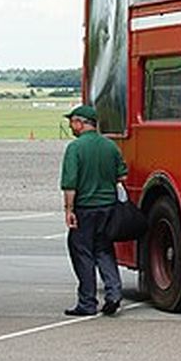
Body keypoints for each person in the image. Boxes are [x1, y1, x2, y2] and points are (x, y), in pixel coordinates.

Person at [59, 103, 127, 316]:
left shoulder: (75, 148)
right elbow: (122, 176)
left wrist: (69, 210)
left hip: (85, 208)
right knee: (104, 250)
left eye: (72, 122)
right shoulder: (110, 146)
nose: (71, 126)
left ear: (80, 123)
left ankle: (87, 303)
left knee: (82, 253)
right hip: (108, 208)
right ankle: (114, 293)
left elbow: (70, 183)